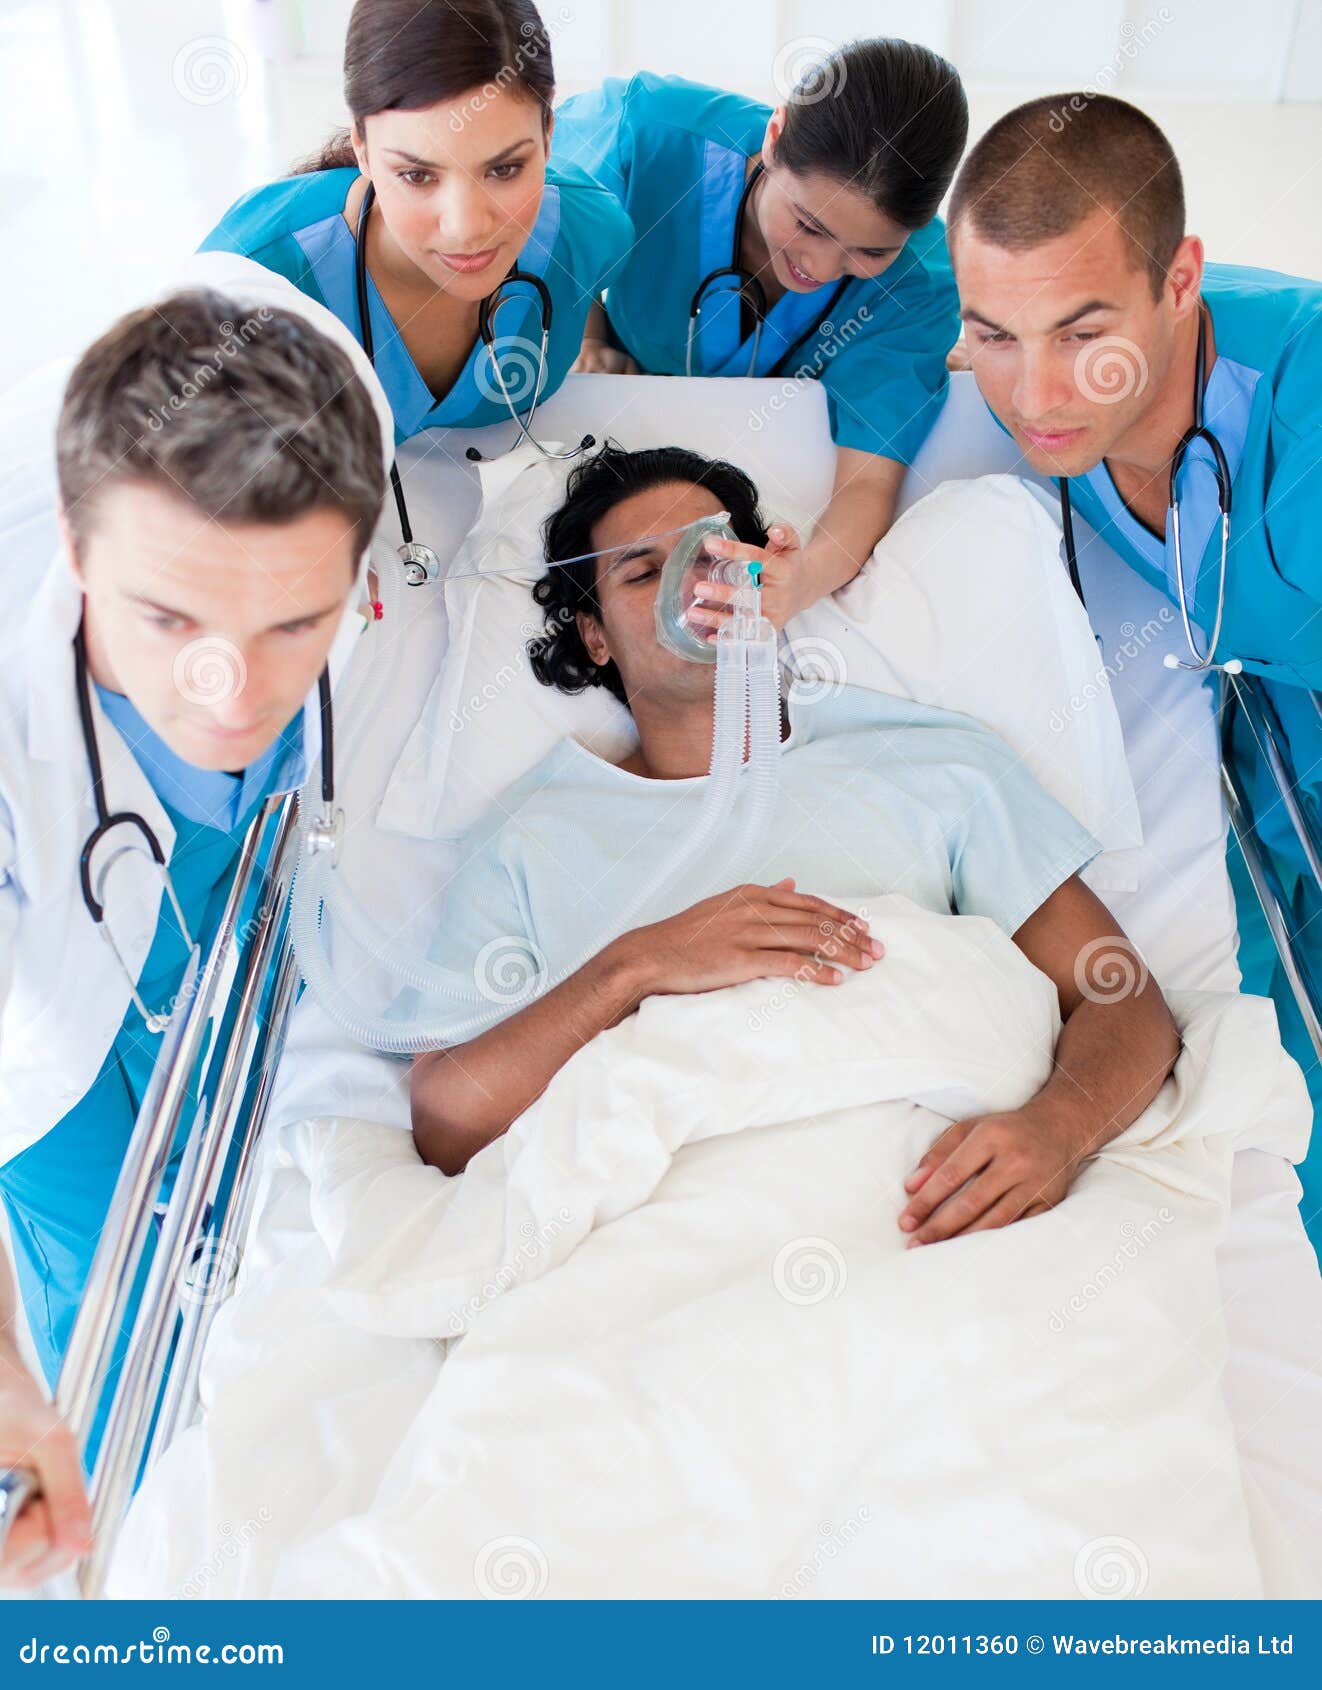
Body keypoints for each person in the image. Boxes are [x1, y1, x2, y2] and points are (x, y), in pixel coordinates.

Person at [408, 444, 1180, 1241]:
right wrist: (638, 967)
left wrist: (1059, 1131)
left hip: (931, 1201)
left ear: (764, 586)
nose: (692, 588)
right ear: (595, 636)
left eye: (711, 558)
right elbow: (446, 1125)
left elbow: (1121, 995)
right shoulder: (533, 836)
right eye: (643, 574)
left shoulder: (932, 766)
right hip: (675, 1229)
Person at [0, 282, 391, 1588]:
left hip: (218, 886)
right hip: (40, 1018)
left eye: (294, 623)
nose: (230, 690)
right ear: (71, 544)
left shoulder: (340, 427)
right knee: (107, 1346)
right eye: (167, 620)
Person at [944, 93, 1322, 1248]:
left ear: (1179, 280)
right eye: (994, 337)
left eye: (1080, 333)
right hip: (1272, 844)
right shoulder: (1060, 434)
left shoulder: (1297, 396)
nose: (1033, 395)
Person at [552, 42, 967, 622]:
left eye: (870, 250)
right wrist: (590, 333)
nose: (818, 270)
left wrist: (804, 577)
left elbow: (868, 482)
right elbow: (547, 232)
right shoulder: (644, 134)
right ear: (775, 136)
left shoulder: (917, 283)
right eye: (809, 224)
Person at [200, 0, 632, 447]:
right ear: (362, 147)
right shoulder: (254, 278)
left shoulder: (588, 228)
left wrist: (589, 337)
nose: (466, 229)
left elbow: (584, 283)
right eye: (417, 175)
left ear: (547, 134)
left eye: (504, 170)